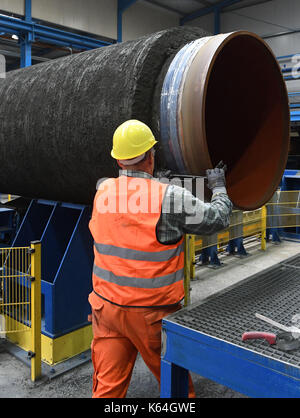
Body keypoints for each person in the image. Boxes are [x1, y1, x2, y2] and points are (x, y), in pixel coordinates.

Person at [88, 119, 233, 398]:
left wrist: (158, 185)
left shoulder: (102, 192)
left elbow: (121, 223)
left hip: (106, 309)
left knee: (107, 388)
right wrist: (218, 187)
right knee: (175, 386)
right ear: (151, 156)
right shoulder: (171, 197)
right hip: (151, 315)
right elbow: (218, 218)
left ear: (118, 159)